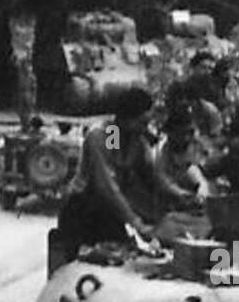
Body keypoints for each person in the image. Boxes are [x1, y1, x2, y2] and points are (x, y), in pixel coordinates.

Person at [56, 88, 190, 260]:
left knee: (121, 255)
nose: (145, 128)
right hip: (82, 209)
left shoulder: (136, 141)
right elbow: (107, 186)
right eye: (142, 122)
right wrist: (137, 223)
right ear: (125, 119)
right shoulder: (104, 135)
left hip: (108, 212)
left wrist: (180, 194)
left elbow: (154, 176)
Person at [154, 102, 212, 205]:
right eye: (181, 134)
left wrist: (201, 190)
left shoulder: (196, 145)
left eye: (189, 132)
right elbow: (163, 180)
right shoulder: (159, 152)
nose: (186, 138)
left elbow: (196, 172)